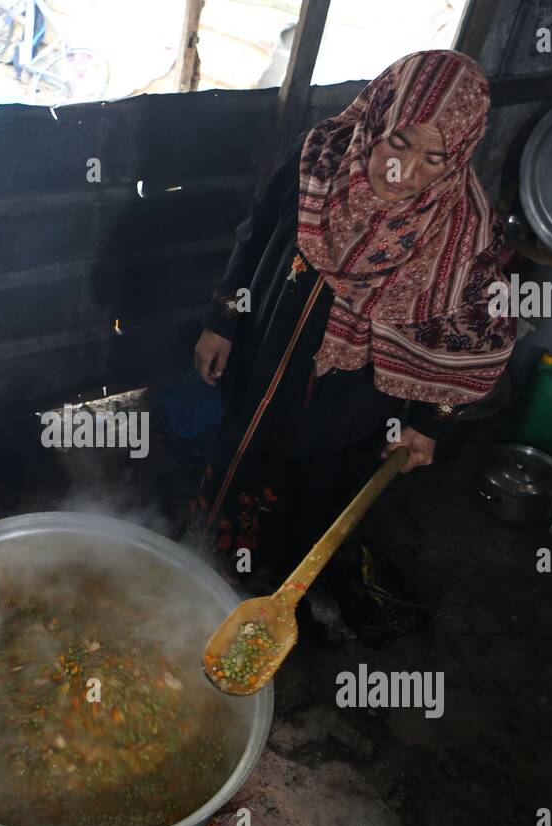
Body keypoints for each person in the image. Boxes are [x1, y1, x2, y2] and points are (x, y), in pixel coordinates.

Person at [187, 50, 513, 588]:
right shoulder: (320, 156)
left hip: (349, 402)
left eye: (434, 159)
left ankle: (277, 589)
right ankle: (203, 561)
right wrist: (221, 320)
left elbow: (474, 342)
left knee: (309, 496)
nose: (404, 173)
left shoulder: (464, 228)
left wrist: (429, 424)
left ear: (459, 154)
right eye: (398, 142)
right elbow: (256, 234)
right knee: (237, 452)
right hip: (265, 353)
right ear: (379, 114)